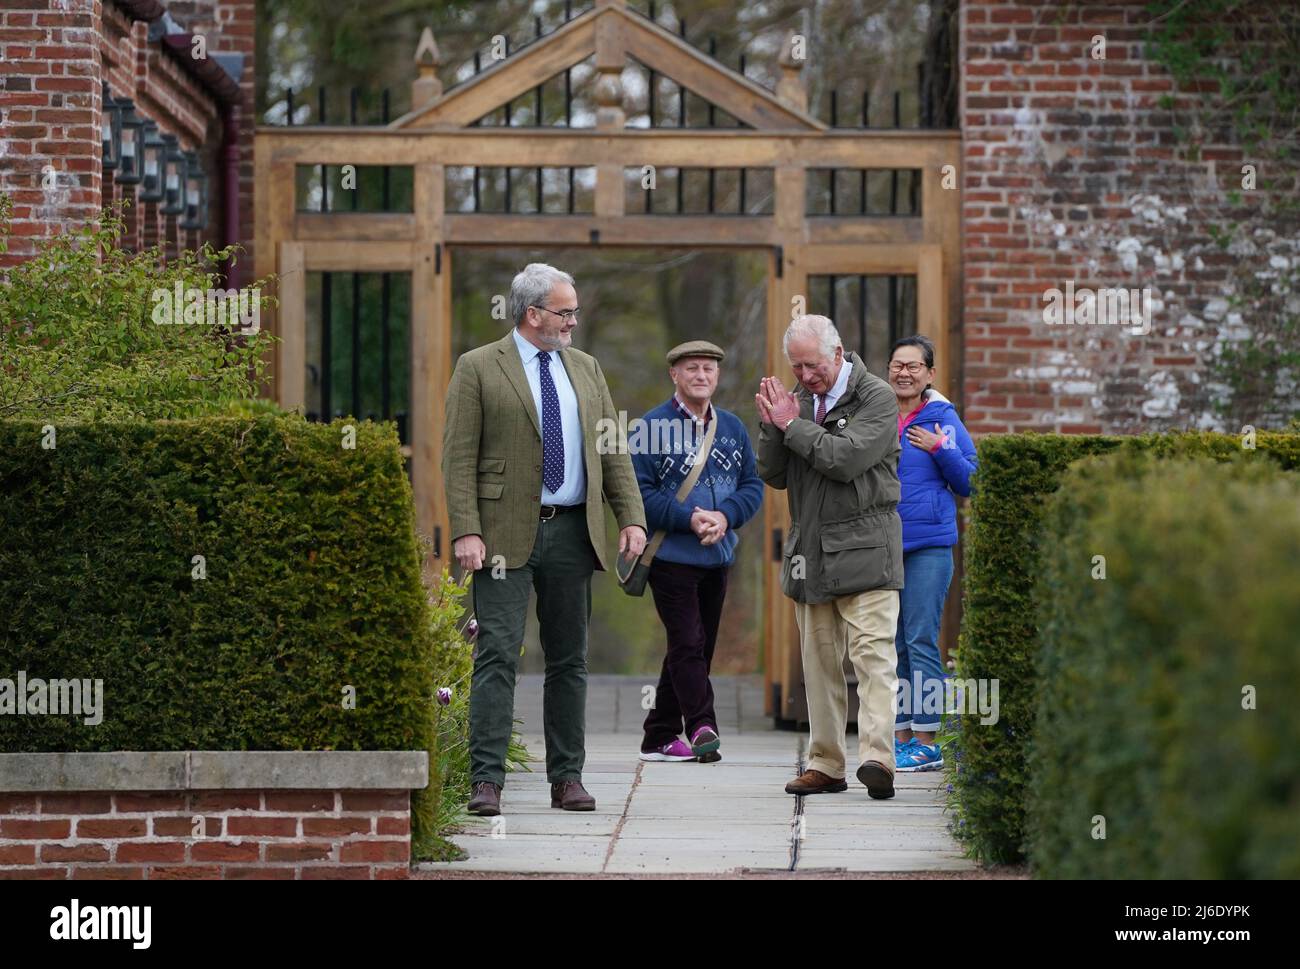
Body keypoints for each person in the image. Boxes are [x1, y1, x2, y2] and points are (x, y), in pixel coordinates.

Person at [443, 263, 647, 817]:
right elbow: (458, 455)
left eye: (575, 311)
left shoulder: (586, 368)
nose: (574, 322)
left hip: (575, 532)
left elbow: (612, 449)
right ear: (533, 314)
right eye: (565, 311)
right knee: (497, 656)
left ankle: (567, 779)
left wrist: (631, 517)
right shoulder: (479, 367)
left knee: (569, 661)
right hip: (504, 535)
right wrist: (466, 529)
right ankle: (486, 781)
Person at [755, 315, 903, 800]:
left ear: (838, 353)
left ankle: (878, 757)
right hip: (811, 554)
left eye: (813, 365)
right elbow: (773, 474)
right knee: (818, 664)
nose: (805, 375)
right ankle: (825, 764)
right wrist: (771, 427)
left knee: (872, 657)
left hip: (868, 551)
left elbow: (845, 459)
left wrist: (791, 425)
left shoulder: (877, 396)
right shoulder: (795, 403)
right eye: (796, 367)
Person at [632, 341, 764, 764]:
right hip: (670, 557)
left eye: (708, 368)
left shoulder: (732, 428)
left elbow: (752, 486)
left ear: (718, 376)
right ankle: (703, 726)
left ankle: (658, 736)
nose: (701, 375)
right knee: (688, 642)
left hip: (718, 555)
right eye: (692, 368)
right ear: (675, 374)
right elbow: (640, 493)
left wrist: (725, 517)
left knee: (694, 649)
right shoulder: (650, 428)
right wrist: (688, 518)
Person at [887, 335, 977, 772]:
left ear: (929, 374)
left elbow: (971, 481)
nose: (904, 372)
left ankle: (928, 739)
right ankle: (901, 736)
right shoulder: (878, 414)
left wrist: (942, 449)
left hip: (929, 547)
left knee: (920, 639)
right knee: (893, 645)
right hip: (883, 546)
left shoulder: (943, 419)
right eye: (897, 365)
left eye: (913, 366)